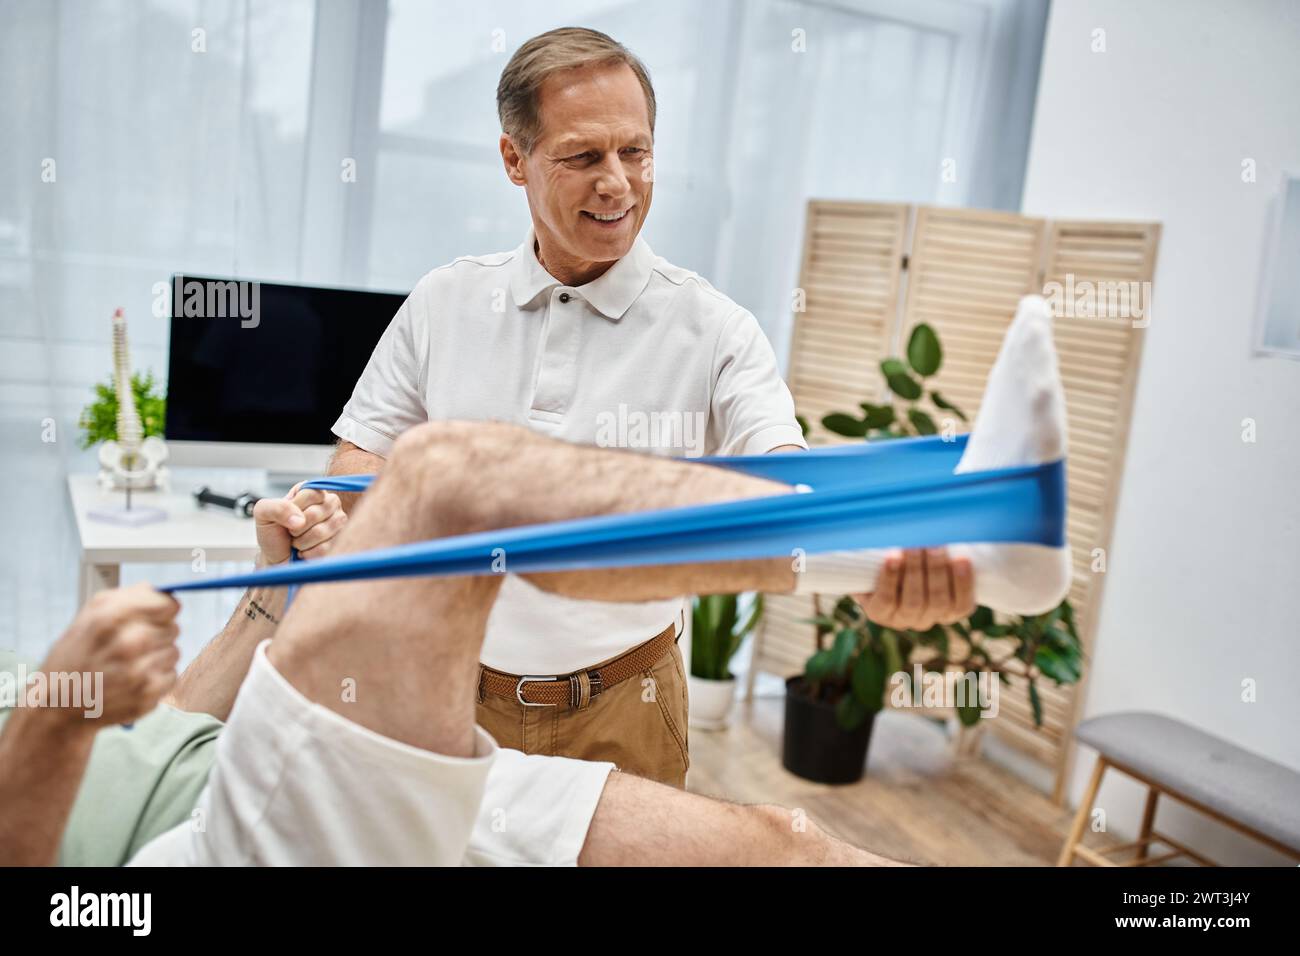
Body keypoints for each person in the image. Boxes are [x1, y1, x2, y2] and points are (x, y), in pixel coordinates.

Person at [328, 27, 973, 784]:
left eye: (635, 152)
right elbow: (361, 456)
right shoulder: (446, 301)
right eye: (584, 156)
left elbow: (787, 477)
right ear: (514, 159)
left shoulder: (715, 328)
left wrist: (882, 563)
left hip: (627, 708)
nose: (619, 184)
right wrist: (333, 520)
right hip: (447, 689)